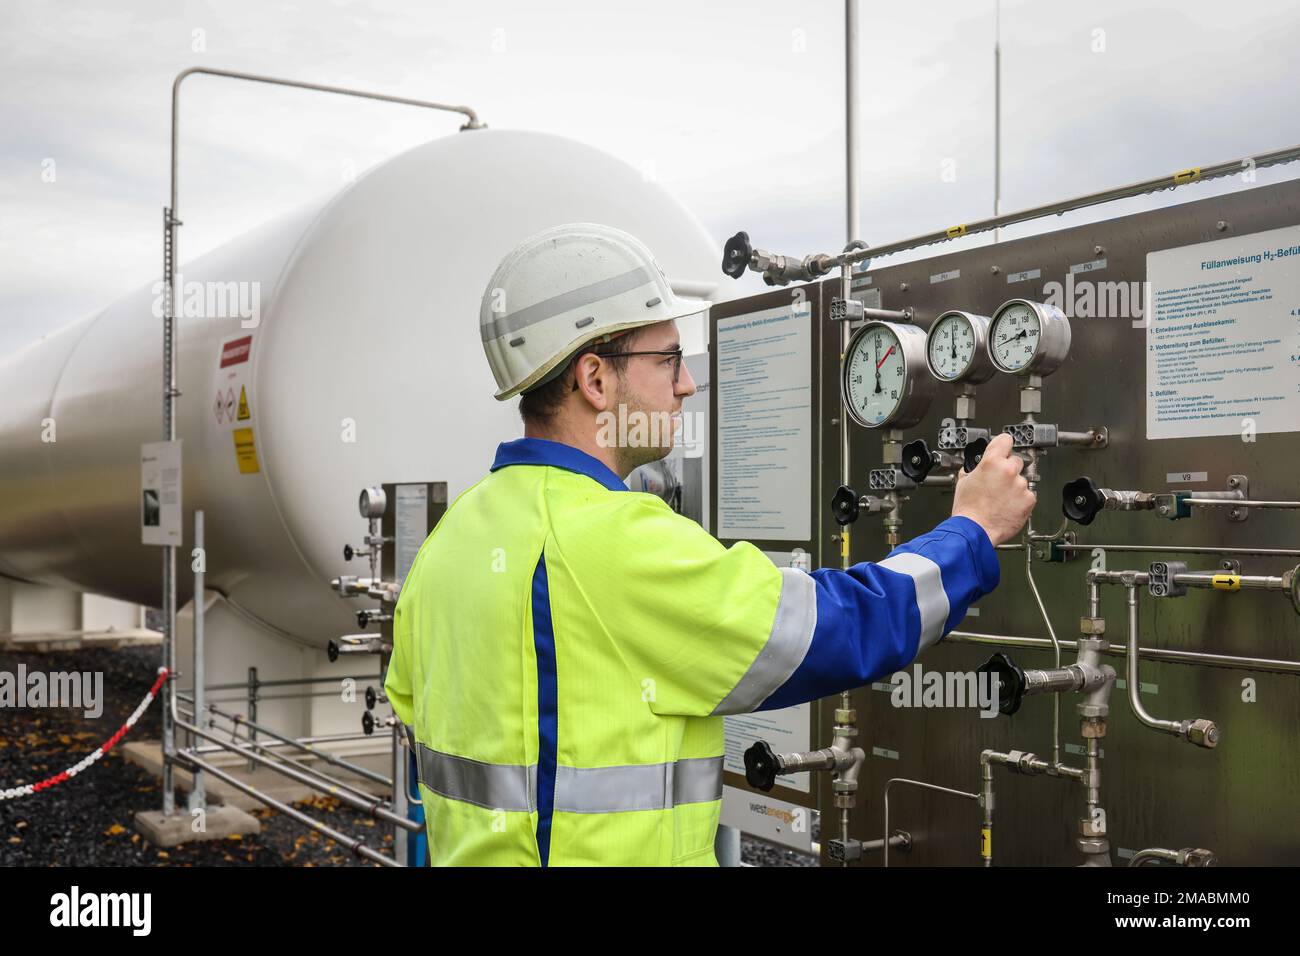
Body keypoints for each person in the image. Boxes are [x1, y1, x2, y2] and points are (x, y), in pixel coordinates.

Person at [384, 223, 1035, 866]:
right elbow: (833, 628)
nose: (686, 384)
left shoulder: (449, 542)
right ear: (595, 379)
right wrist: (972, 532)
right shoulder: (613, 540)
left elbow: (426, 714)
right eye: (666, 360)